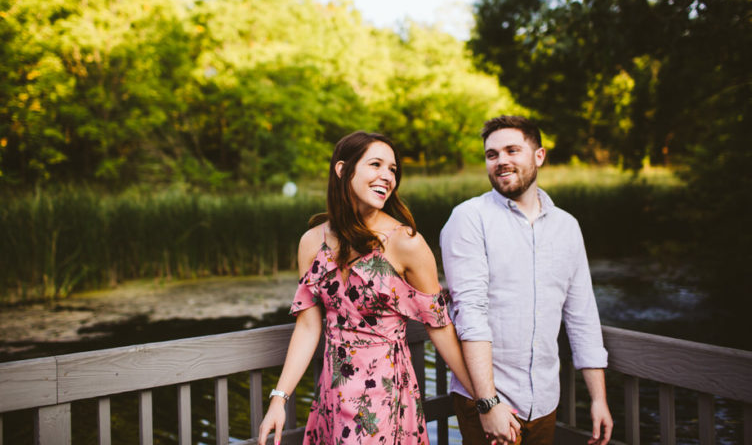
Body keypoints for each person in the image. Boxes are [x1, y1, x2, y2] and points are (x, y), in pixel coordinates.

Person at [258, 131, 474, 445]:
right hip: (333, 398)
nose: (387, 176)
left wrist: (483, 398)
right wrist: (279, 398)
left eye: (393, 169)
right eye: (376, 164)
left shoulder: (405, 242)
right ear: (342, 169)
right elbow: (307, 327)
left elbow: (439, 326)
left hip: (385, 398)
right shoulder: (311, 242)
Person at [440, 116, 613, 445]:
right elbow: (470, 315)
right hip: (489, 399)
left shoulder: (567, 227)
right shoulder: (469, 218)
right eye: (492, 155)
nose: (501, 161)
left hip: (545, 402)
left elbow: (582, 317)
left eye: (512, 150)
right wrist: (488, 403)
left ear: (539, 155)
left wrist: (598, 399)